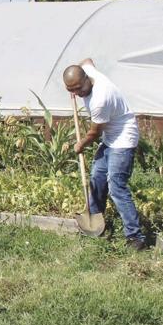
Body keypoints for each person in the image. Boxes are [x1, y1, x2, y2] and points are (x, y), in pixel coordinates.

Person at [63, 58, 145, 250]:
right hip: (110, 138)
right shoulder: (87, 71)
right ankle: (96, 223)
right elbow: (87, 60)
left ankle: (135, 237)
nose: (76, 93)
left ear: (86, 80)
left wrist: (80, 144)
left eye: (78, 89)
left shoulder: (100, 98)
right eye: (70, 90)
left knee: (116, 186)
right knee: (97, 178)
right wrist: (74, 88)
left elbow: (94, 133)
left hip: (123, 139)